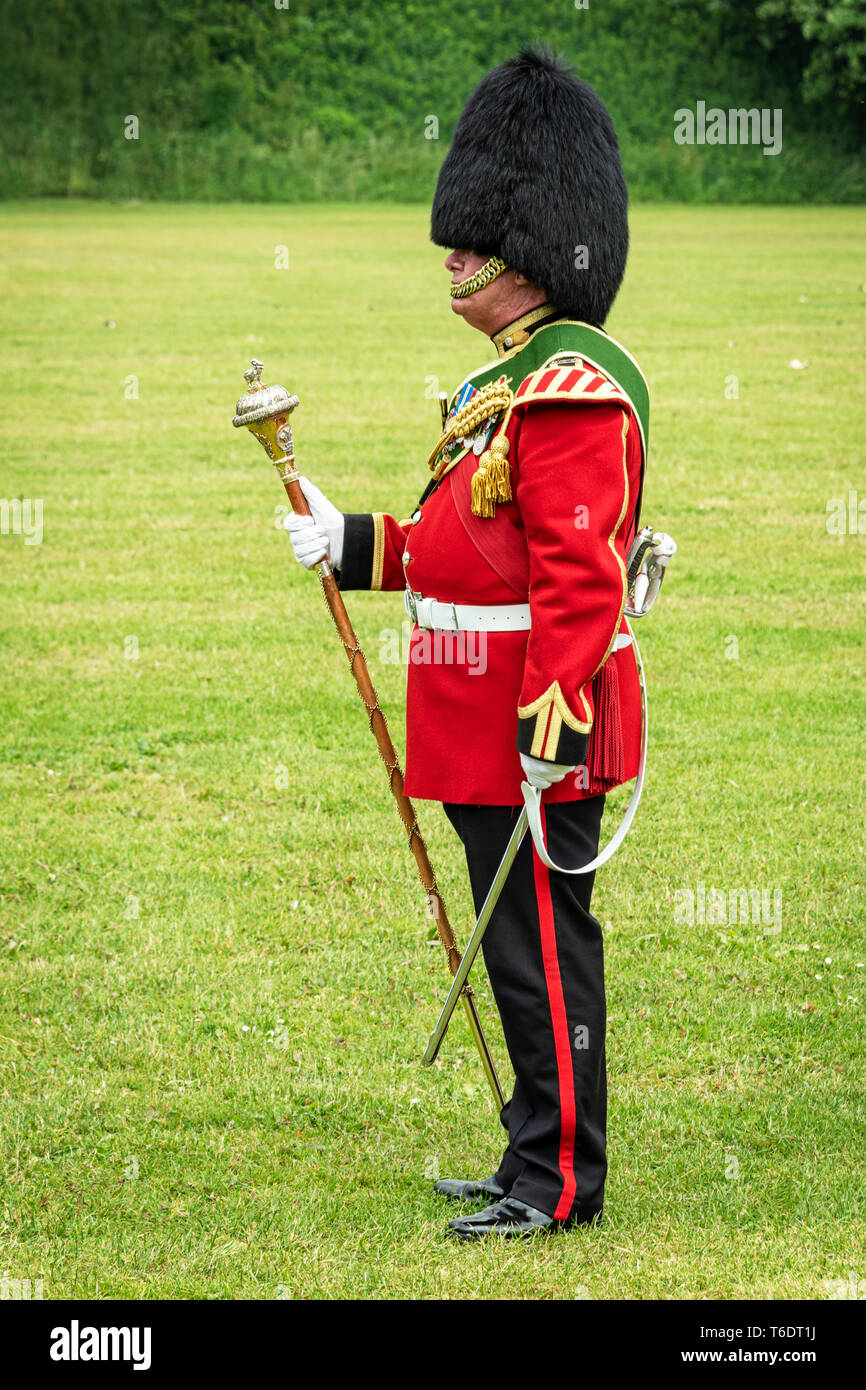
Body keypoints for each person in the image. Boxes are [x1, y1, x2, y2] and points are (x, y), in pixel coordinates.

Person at [286, 46, 649, 1239]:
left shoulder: (569, 393)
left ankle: (559, 1182)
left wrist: (553, 723)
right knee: (514, 953)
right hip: (471, 716)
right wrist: (346, 540)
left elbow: (577, 579)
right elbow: (458, 550)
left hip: (528, 729)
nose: (451, 255)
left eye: (471, 240)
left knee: (544, 952)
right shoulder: (504, 385)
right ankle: (524, 1151)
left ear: (530, 248)